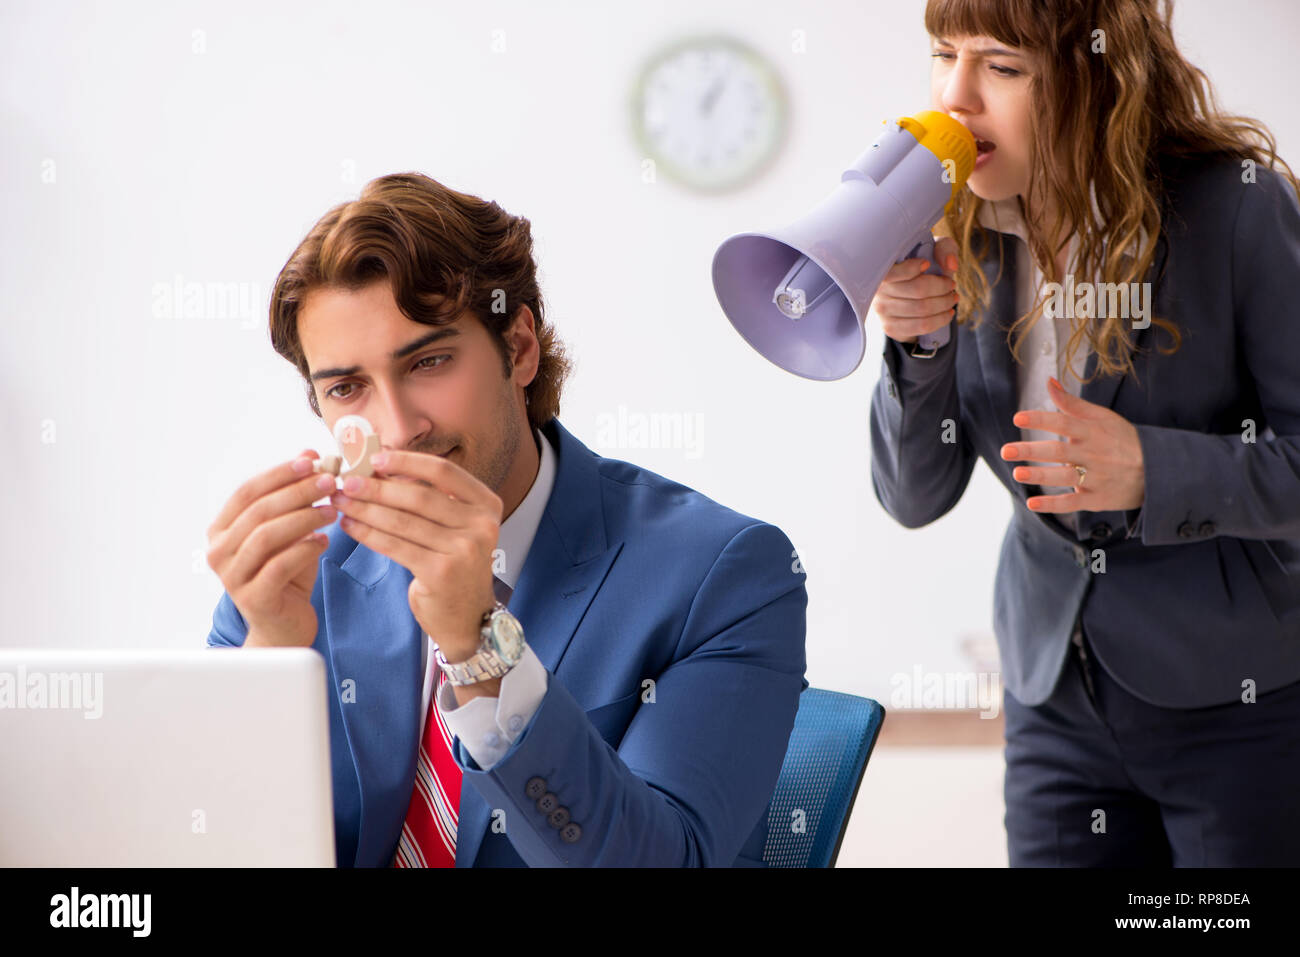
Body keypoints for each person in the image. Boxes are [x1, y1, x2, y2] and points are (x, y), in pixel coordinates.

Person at [204, 172, 808, 867]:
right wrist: (272, 669)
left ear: (519, 347)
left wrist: (479, 649)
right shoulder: (286, 581)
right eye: (347, 387)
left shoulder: (723, 575)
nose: (398, 428)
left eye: (429, 360)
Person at [869, 0, 1300, 865]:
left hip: (1238, 700)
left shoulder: (1238, 212)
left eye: (1002, 66)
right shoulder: (954, 222)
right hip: (1050, 693)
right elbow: (915, 496)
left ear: (1097, 76)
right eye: (944, 53)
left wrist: (1155, 468)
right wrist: (916, 345)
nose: (955, 94)